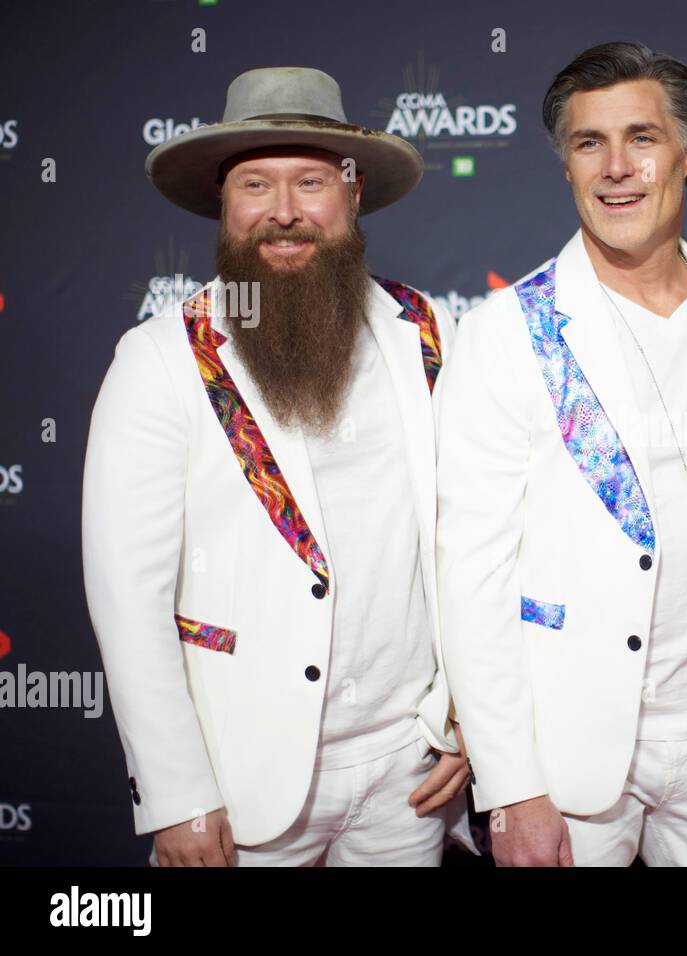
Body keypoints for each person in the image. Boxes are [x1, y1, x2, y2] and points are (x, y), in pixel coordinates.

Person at [435, 41, 687, 867]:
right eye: (590, 144)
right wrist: (509, 786)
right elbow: (469, 573)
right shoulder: (507, 331)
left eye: (641, 139)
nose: (617, 168)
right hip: (565, 750)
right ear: (566, 166)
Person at [83, 66, 472, 866]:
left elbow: (471, 543)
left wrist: (471, 717)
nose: (284, 213)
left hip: (409, 774)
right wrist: (177, 792)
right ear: (225, 206)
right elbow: (130, 599)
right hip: (240, 776)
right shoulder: (161, 357)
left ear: (354, 194)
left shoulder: (428, 331)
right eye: (256, 184)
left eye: (311, 182)